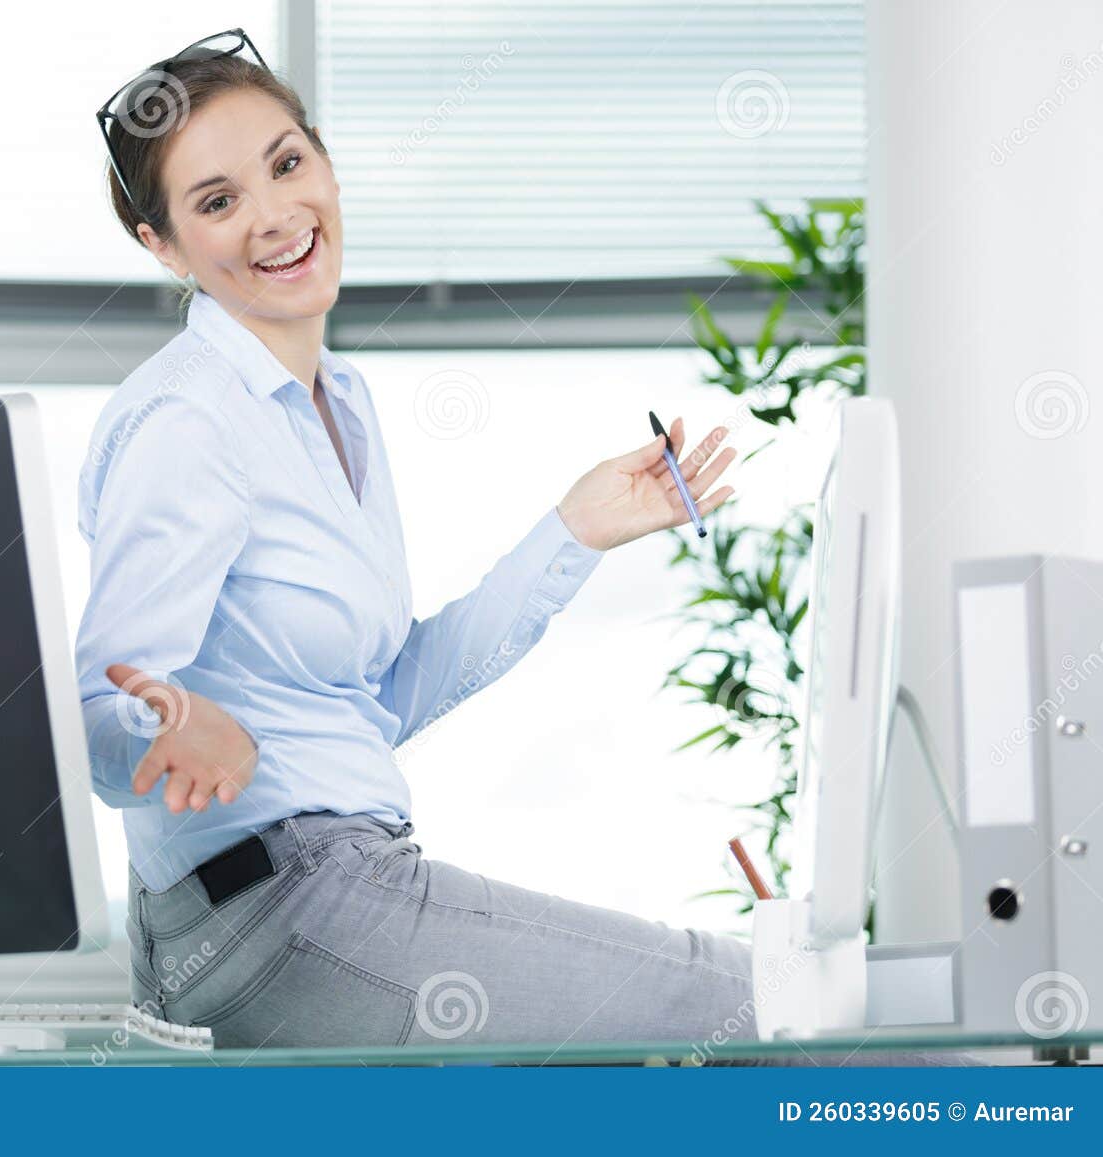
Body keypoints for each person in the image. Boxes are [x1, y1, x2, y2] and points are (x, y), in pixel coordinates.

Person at [75, 31, 972, 1066]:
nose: (275, 214)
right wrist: (167, 728)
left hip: (318, 886)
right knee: (766, 1011)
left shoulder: (338, 408)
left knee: (726, 1033)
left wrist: (574, 529)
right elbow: (97, 711)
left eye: (286, 164)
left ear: (322, 161)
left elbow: (381, 698)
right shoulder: (189, 422)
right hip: (273, 910)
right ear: (164, 246)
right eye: (218, 200)